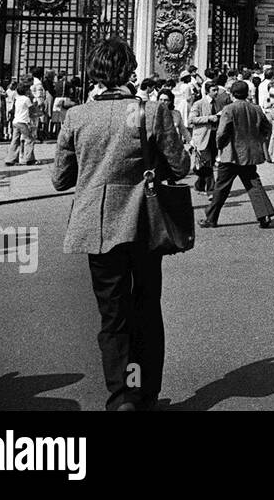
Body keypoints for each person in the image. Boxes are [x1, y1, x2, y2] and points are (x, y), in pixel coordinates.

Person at [51, 37, 192, 411]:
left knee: (113, 316)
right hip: (144, 225)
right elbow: (181, 167)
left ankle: (122, 395)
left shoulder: (77, 116)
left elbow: (60, 179)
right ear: (129, 70)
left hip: (97, 228)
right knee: (147, 308)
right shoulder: (153, 111)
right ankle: (145, 392)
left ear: (95, 74)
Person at [200, 80, 274, 230]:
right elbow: (267, 127)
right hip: (249, 153)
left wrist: (220, 147)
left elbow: (221, 133)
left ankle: (211, 218)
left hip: (231, 154)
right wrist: (259, 139)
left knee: (221, 188)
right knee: (254, 184)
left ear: (232, 93)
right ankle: (264, 215)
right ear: (247, 93)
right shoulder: (255, 108)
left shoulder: (229, 109)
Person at [186, 82, 220, 197]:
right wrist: (209, 118)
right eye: (213, 90)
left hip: (213, 137)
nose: (216, 92)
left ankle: (199, 184)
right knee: (208, 164)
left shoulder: (217, 103)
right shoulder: (199, 104)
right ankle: (211, 190)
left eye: (217, 90)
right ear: (207, 91)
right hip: (202, 137)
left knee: (206, 163)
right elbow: (191, 120)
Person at [4, 79, 37, 166]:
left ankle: (11, 159)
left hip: (16, 121)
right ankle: (29, 159)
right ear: (26, 91)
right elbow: (32, 109)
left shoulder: (17, 99)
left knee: (15, 140)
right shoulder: (26, 99)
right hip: (23, 122)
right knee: (29, 139)